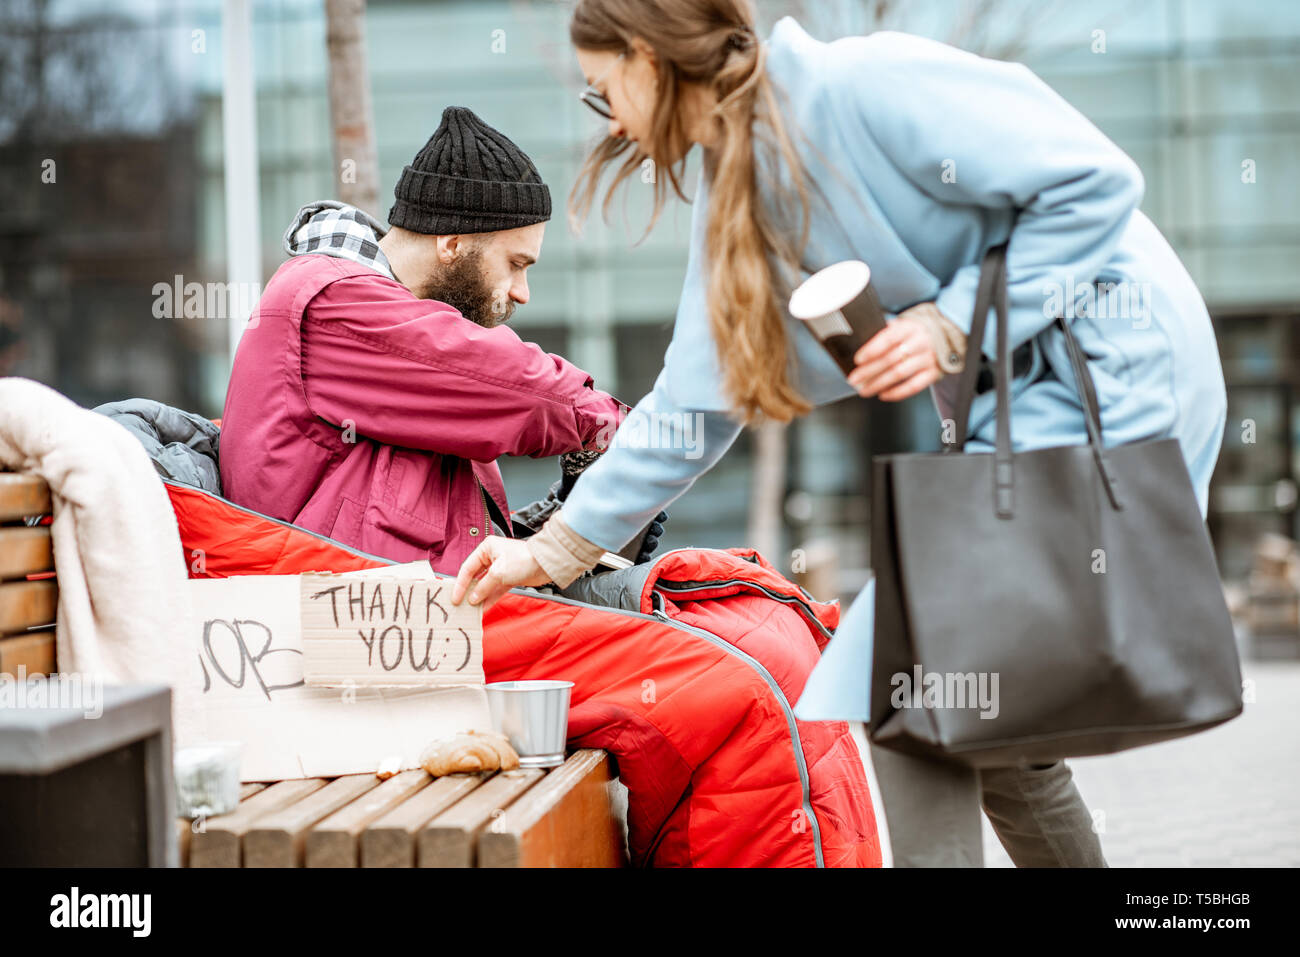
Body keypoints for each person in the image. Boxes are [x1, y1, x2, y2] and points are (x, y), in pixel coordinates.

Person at [450, 0, 1228, 868]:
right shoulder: (734, 185)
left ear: (646, 57)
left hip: (1108, 368)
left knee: (903, 677)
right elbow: (693, 405)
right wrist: (549, 551)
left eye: (603, 91)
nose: (613, 120)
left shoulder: (863, 85)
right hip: (1019, 412)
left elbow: (1096, 180)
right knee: (969, 707)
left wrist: (948, 324)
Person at [220, 105, 665, 576]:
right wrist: (618, 435)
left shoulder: (412, 372)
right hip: (330, 632)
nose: (522, 293)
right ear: (451, 244)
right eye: (515, 264)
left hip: (389, 626)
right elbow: (522, 388)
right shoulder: (333, 302)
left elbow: (434, 539)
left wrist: (565, 528)